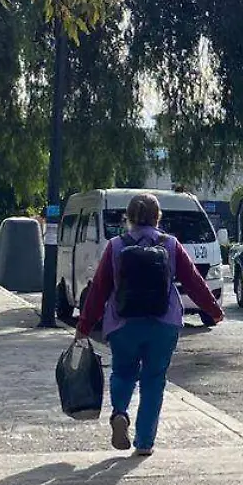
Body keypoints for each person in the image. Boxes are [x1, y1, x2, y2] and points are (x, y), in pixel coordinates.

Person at [73, 192, 223, 456]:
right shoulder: (171, 245)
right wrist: (213, 310)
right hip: (163, 324)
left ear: (127, 218)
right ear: (158, 217)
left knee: (122, 373)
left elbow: (99, 290)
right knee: (154, 380)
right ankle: (144, 443)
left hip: (123, 323)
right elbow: (194, 282)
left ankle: (120, 413)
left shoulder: (115, 246)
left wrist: (84, 326)